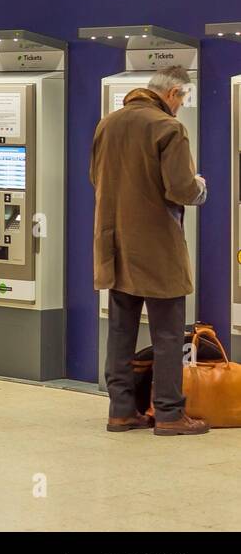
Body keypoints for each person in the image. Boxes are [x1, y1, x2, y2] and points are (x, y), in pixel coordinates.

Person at [90, 66, 209, 436]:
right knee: (168, 334)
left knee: (121, 331)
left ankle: (122, 411)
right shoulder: (168, 128)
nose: (182, 106)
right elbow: (180, 189)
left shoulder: (107, 124)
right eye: (184, 99)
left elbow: (96, 177)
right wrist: (200, 186)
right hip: (158, 247)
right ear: (172, 93)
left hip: (114, 243)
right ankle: (170, 413)